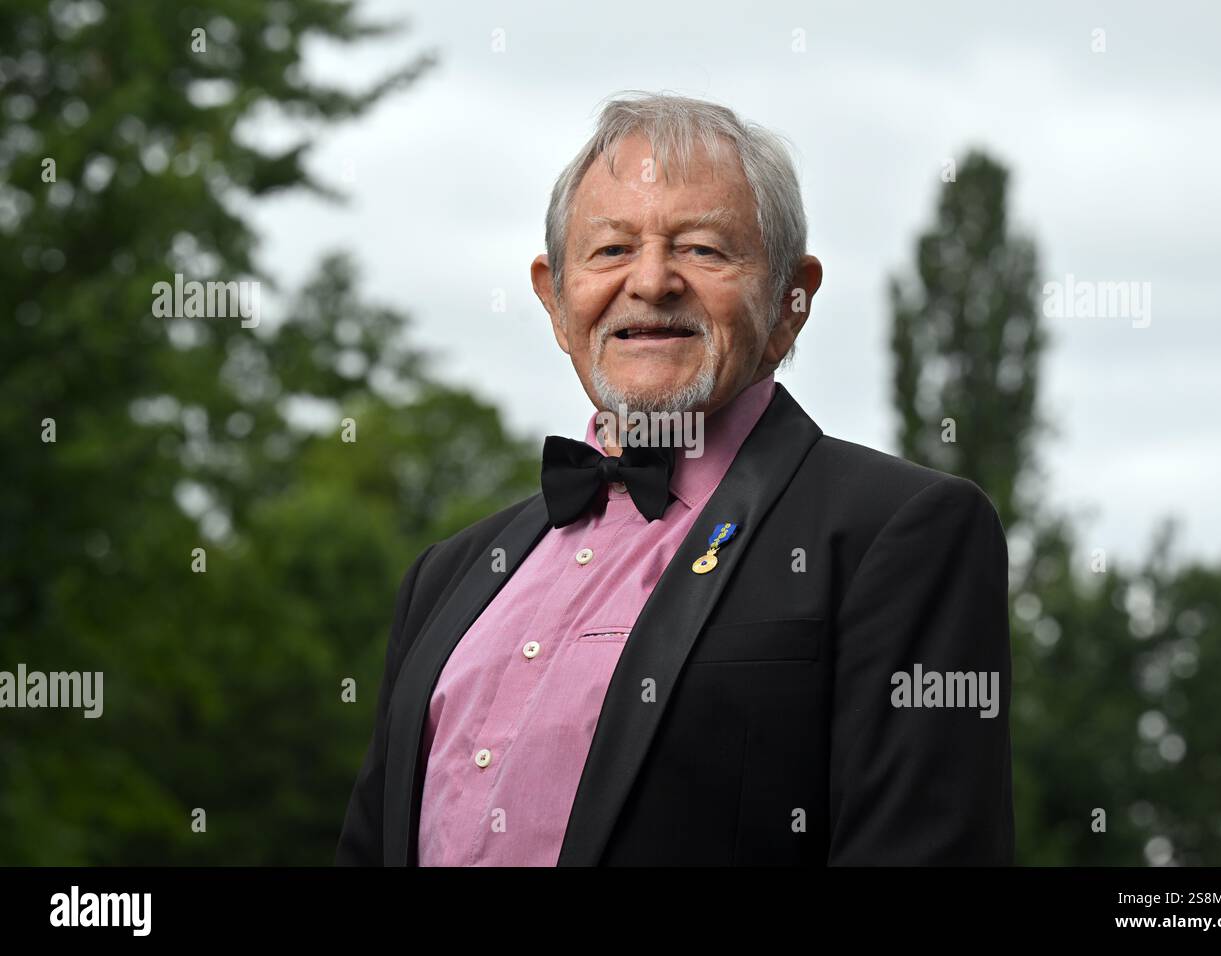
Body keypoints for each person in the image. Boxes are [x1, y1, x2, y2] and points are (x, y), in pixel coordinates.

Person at [336, 91, 1013, 866]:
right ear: (556, 299)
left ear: (792, 300)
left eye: (702, 249)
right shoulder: (445, 575)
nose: (652, 282)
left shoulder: (902, 532)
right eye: (612, 250)